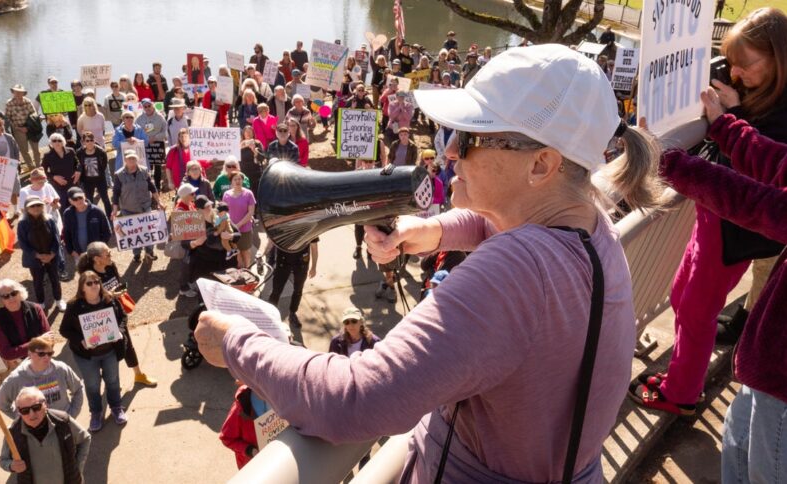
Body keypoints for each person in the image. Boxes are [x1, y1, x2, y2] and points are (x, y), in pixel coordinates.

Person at [193, 44, 665, 483]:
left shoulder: (516, 273)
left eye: (472, 138)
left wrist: (236, 342)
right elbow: (501, 226)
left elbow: (357, 399)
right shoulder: (590, 225)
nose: (450, 150)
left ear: (541, 165)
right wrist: (428, 231)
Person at [632, 7, 787, 415]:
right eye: (731, 62)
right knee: (682, 294)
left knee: (698, 309)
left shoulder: (779, 107)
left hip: (735, 226)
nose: (735, 73)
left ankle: (682, 392)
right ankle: (680, 379)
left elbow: (765, 167)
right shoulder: (764, 89)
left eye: (746, 64)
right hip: (715, 217)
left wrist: (735, 114)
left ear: (778, 58)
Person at [657, 96, 787, 482]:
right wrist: (725, 126)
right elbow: (780, 164)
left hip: (781, 382)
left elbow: (761, 205)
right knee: (740, 446)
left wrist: (667, 162)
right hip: (768, 368)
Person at [76, 242, 158, 387]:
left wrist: (118, 292)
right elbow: (88, 299)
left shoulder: (111, 266)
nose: (110, 256)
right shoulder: (88, 277)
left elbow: (117, 283)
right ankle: (111, 383)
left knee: (127, 345)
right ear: (97, 259)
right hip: (101, 320)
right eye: (107, 254)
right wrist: (111, 294)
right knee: (106, 353)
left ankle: (138, 375)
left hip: (116, 313)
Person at [60, 271, 129, 432]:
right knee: (92, 385)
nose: (94, 285)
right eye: (89, 283)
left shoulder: (109, 300)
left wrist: (119, 331)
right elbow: (64, 330)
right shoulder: (74, 306)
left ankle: (116, 407)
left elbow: (123, 317)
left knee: (112, 381)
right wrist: (80, 341)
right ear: (82, 287)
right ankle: (96, 413)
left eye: (97, 281)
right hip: (87, 356)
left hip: (109, 351)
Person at [0, 387, 91, 483]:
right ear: (19, 412)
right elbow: (3, 460)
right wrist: (11, 466)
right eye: (25, 411)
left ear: (45, 404)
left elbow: (85, 439)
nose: (31, 414)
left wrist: (77, 468)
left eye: (36, 407)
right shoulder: (13, 432)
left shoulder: (62, 421)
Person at [0, 336, 84, 419]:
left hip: (62, 424)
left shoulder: (61, 369)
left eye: (50, 353)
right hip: (34, 431)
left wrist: (71, 415)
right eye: (41, 354)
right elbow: (0, 402)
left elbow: (78, 389)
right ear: (30, 353)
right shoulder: (16, 378)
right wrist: (22, 419)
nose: (46, 357)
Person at [17, 197, 66, 310]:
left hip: (51, 257)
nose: (36, 208)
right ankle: (41, 302)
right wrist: (38, 256)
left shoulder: (49, 220)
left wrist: (52, 254)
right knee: (37, 282)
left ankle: (58, 300)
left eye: (38, 205)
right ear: (26, 209)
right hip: (34, 259)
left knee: (55, 279)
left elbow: (56, 239)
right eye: (32, 206)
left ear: (43, 206)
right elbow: (23, 244)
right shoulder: (22, 224)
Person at [0, 279, 52, 364]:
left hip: (42, 357)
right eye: (5, 296)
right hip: (18, 363)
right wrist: (38, 342)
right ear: (1, 299)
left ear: (20, 293)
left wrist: (20, 350)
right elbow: (6, 354)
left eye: (14, 293)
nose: (11, 298)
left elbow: (49, 340)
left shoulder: (36, 309)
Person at [112, 150, 160, 262]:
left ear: (137, 159)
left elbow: (152, 188)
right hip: (129, 209)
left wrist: (159, 202)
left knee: (148, 231)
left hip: (145, 207)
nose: (132, 161)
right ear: (125, 160)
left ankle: (149, 252)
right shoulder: (119, 175)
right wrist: (115, 210)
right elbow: (116, 193)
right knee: (134, 234)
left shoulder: (144, 171)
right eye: (129, 159)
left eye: (133, 158)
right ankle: (137, 255)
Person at [264, 234, 317, 323]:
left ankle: (293, 312)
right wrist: (263, 254)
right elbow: (271, 241)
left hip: (301, 264)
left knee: (298, 290)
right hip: (283, 262)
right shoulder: (283, 224)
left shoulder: (310, 226)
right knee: (276, 290)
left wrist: (314, 267)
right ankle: (270, 313)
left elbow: (314, 247)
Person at [62, 186, 111, 268]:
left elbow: (107, 232)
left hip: (96, 253)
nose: (78, 200)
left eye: (80, 197)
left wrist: (100, 249)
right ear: (70, 201)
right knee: (85, 275)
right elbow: (66, 233)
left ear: (84, 196)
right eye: (75, 199)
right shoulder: (67, 213)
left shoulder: (97, 211)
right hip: (78, 253)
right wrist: (71, 250)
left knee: (99, 274)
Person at [222, 171, 256, 268]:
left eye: (239, 179)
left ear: (242, 180)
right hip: (231, 230)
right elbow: (224, 212)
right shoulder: (226, 195)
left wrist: (238, 225)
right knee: (236, 253)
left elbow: (250, 213)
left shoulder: (249, 194)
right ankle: (240, 273)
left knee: (246, 251)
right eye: (235, 179)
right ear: (231, 182)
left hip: (245, 229)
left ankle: (248, 269)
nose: (237, 181)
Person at [42, 133, 81, 212]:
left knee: (77, 205)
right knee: (63, 208)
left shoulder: (70, 151)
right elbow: (43, 171)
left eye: (59, 140)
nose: (57, 143)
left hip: (73, 183)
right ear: (51, 143)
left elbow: (78, 163)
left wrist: (78, 171)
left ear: (63, 141)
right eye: (54, 141)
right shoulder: (47, 156)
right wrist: (54, 177)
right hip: (59, 187)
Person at [5, 84, 41, 169]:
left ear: (23, 93)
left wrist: (29, 126)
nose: (17, 94)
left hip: (30, 127)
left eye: (20, 92)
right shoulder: (9, 103)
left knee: (36, 149)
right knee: (24, 150)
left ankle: (39, 167)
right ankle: (31, 168)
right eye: (16, 92)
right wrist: (18, 128)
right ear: (13, 92)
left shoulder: (28, 101)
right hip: (17, 128)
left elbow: (34, 114)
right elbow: (7, 118)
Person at [76, 131, 111, 216]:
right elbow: (78, 164)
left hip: (100, 179)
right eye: (87, 141)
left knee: (105, 199)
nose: (90, 142)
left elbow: (104, 164)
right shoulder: (79, 153)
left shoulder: (101, 152)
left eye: (91, 140)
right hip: (87, 180)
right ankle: (92, 216)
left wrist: (101, 172)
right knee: (89, 200)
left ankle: (110, 216)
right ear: (83, 142)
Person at [136, 98, 168, 189]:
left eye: (149, 105)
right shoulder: (139, 118)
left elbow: (165, 132)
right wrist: (146, 139)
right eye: (145, 106)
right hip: (145, 145)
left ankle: (157, 186)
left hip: (158, 145)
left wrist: (156, 137)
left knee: (158, 167)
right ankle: (149, 186)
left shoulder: (160, 117)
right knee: (146, 167)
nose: (147, 108)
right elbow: (137, 132)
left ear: (152, 105)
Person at [239, 127, 265, 196]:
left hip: (256, 173)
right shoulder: (239, 144)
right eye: (246, 132)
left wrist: (254, 150)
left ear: (253, 133)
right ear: (243, 134)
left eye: (250, 131)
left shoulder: (257, 143)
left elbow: (262, 158)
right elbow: (235, 158)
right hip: (243, 173)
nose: (248, 133)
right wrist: (240, 147)